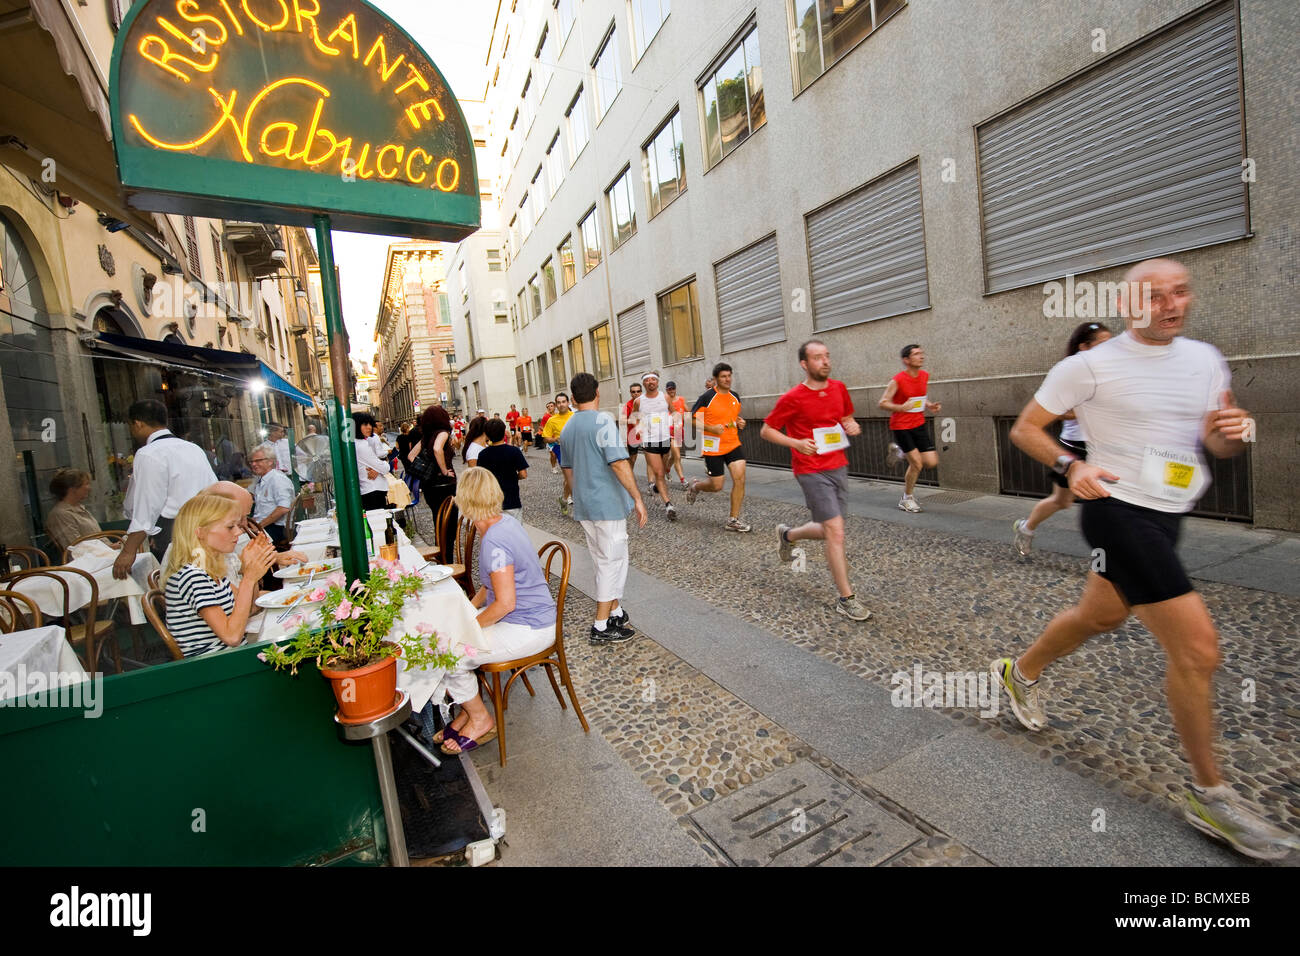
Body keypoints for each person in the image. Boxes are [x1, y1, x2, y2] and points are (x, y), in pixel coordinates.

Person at [991, 258, 1298, 860]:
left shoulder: (1206, 360)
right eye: (1155, 296)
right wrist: (1071, 466)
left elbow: (1212, 441)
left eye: (1180, 292)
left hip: (1168, 512)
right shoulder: (1089, 365)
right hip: (1114, 509)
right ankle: (1211, 796)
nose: (1171, 304)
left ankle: (1018, 672)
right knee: (1197, 648)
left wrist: (1231, 434)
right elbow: (1028, 429)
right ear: (1128, 303)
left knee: (1100, 616)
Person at [431, 468, 558, 754]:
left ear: (465, 502)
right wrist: (469, 610)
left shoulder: (494, 541)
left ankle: (479, 718)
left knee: (448, 653)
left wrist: (469, 626)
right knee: (450, 639)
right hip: (531, 619)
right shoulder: (505, 524)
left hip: (528, 627)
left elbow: (505, 603)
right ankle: (467, 708)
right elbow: (491, 587)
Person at [761, 341, 871, 621]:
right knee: (835, 531)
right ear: (804, 364)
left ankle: (788, 535)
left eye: (827, 356)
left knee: (828, 529)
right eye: (817, 357)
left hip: (838, 465)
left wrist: (851, 424)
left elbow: (845, 416)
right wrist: (796, 443)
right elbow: (767, 430)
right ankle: (846, 598)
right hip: (810, 468)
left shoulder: (839, 388)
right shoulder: (793, 397)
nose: (825, 361)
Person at [561, 373, 648, 643]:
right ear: (597, 393)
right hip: (607, 504)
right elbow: (620, 464)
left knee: (601, 559)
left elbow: (568, 470)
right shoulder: (603, 422)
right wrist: (637, 498)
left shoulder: (567, 428)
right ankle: (601, 626)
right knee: (613, 561)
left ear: (573, 399)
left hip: (586, 504)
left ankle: (616, 611)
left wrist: (578, 494)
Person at [1013, 323, 1113, 555]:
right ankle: (1026, 528)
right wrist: (1088, 411)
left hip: (1103, 446)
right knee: (1062, 501)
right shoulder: (1070, 372)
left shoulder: (1111, 373)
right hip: (1073, 447)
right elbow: (1055, 412)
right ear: (1084, 347)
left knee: (1107, 502)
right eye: (1103, 343)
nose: (1110, 348)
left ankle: (1109, 560)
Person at [162, 493, 276, 657]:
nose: (238, 532)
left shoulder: (210, 569)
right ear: (200, 532)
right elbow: (232, 637)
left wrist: (251, 571)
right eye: (230, 527)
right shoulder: (193, 576)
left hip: (231, 657)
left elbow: (250, 609)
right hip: (217, 667)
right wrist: (248, 578)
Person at [114, 399, 218, 578]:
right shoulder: (193, 449)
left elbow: (147, 507)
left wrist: (128, 551)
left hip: (176, 533)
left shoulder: (149, 453)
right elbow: (215, 488)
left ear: (137, 424)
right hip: (208, 526)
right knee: (206, 582)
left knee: (181, 588)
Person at [685, 363, 750, 531]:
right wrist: (711, 428)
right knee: (716, 486)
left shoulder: (735, 396)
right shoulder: (707, 397)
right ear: (715, 379)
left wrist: (739, 422)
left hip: (733, 443)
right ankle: (696, 486)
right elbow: (691, 420)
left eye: (729, 376)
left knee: (740, 479)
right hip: (713, 447)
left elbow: (731, 417)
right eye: (723, 376)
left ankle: (733, 520)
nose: (727, 379)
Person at [879, 344, 942, 513]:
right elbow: (882, 402)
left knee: (931, 462)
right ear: (906, 360)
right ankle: (907, 499)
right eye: (916, 354)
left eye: (922, 353)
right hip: (901, 425)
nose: (921, 356)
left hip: (918, 424)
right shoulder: (897, 380)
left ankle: (899, 451)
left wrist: (929, 405)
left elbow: (919, 396)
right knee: (917, 463)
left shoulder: (924, 375)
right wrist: (902, 408)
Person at [629, 372, 678, 521]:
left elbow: (674, 412)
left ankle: (657, 486)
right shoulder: (639, 401)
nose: (651, 382)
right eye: (647, 380)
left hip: (664, 439)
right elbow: (633, 417)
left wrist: (674, 423)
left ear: (657, 382)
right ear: (644, 384)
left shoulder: (665, 397)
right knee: (660, 474)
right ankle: (668, 505)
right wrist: (638, 428)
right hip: (649, 441)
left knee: (662, 470)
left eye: (653, 379)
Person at [410, 406, 458, 553]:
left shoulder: (426, 437)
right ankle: (447, 560)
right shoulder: (443, 433)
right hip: (444, 485)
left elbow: (411, 456)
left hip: (429, 485)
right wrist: (443, 471)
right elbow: (438, 449)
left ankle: (441, 556)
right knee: (449, 526)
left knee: (438, 522)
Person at [476, 419, 529, 522]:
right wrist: (514, 477)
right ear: (504, 431)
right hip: (511, 500)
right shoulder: (514, 451)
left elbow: (481, 477)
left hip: (491, 501)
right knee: (514, 531)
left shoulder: (483, 454)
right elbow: (523, 474)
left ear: (487, 434)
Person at [45, 469, 106, 555]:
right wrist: (109, 548)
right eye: (86, 484)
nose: (89, 488)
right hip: (90, 561)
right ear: (72, 489)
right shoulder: (60, 514)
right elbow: (75, 547)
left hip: (105, 554)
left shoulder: (80, 509)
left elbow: (100, 537)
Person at [248, 443, 295, 546]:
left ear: (270, 461)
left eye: (258, 461)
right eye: (251, 461)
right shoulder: (262, 480)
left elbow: (283, 508)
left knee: (241, 543)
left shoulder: (277, 479)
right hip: (267, 526)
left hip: (277, 529)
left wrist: (259, 526)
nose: (253, 464)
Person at [540, 393, 574, 514]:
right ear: (556, 405)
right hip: (561, 449)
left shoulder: (575, 416)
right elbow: (545, 438)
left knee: (573, 477)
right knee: (570, 477)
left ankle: (564, 499)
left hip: (576, 449)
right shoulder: (551, 420)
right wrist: (555, 439)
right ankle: (575, 501)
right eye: (558, 402)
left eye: (563, 401)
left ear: (568, 402)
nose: (561, 404)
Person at [351, 412, 391, 511]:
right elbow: (384, 468)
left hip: (369, 489)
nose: (369, 427)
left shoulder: (358, 442)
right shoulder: (362, 445)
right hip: (372, 489)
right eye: (365, 424)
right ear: (356, 426)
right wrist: (384, 465)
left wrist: (377, 469)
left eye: (370, 424)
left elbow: (377, 465)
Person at [664, 381, 689, 486]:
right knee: (678, 456)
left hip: (679, 432)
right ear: (666, 390)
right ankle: (683, 480)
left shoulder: (681, 400)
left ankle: (667, 469)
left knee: (674, 457)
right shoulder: (664, 402)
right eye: (669, 389)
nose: (671, 391)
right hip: (669, 432)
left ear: (675, 389)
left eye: (673, 388)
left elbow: (688, 412)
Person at [622, 381, 643, 478]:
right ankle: (628, 478)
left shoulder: (646, 402)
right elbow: (622, 420)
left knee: (651, 458)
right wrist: (633, 420)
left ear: (641, 392)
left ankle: (652, 483)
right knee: (633, 459)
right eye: (633, 392)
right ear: (630, 393)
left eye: (638, 391)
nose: (636, 393)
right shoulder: (628, 405)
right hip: (633, 436)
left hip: (647, 435)